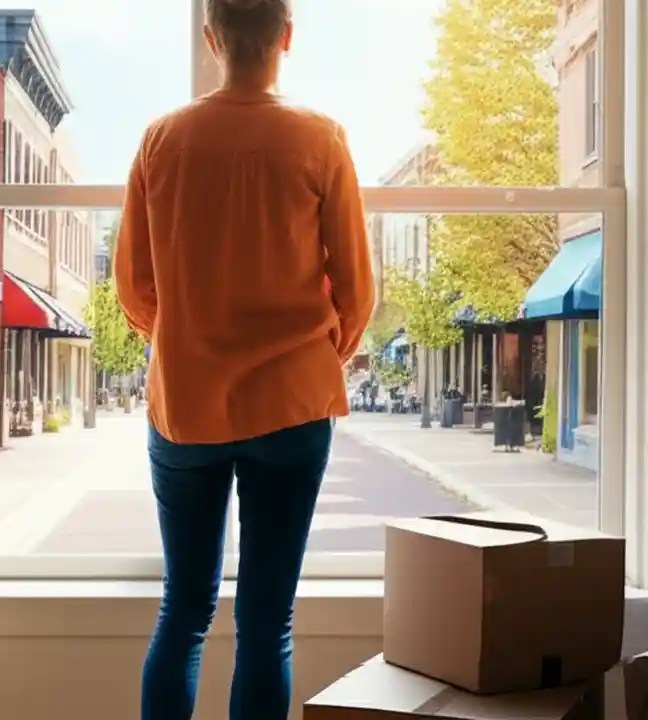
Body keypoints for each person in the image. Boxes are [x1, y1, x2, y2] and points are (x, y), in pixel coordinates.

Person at [113, 1, 374, 717]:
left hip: (187, 405)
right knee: (267, 625)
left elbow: (133, 284)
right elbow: (358, 287)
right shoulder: (321, 139)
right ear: (287, 37)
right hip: (292, 404)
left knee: (184, 610)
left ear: (212, 38)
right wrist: (322, 357)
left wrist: (183, 341)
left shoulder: (161, 140)